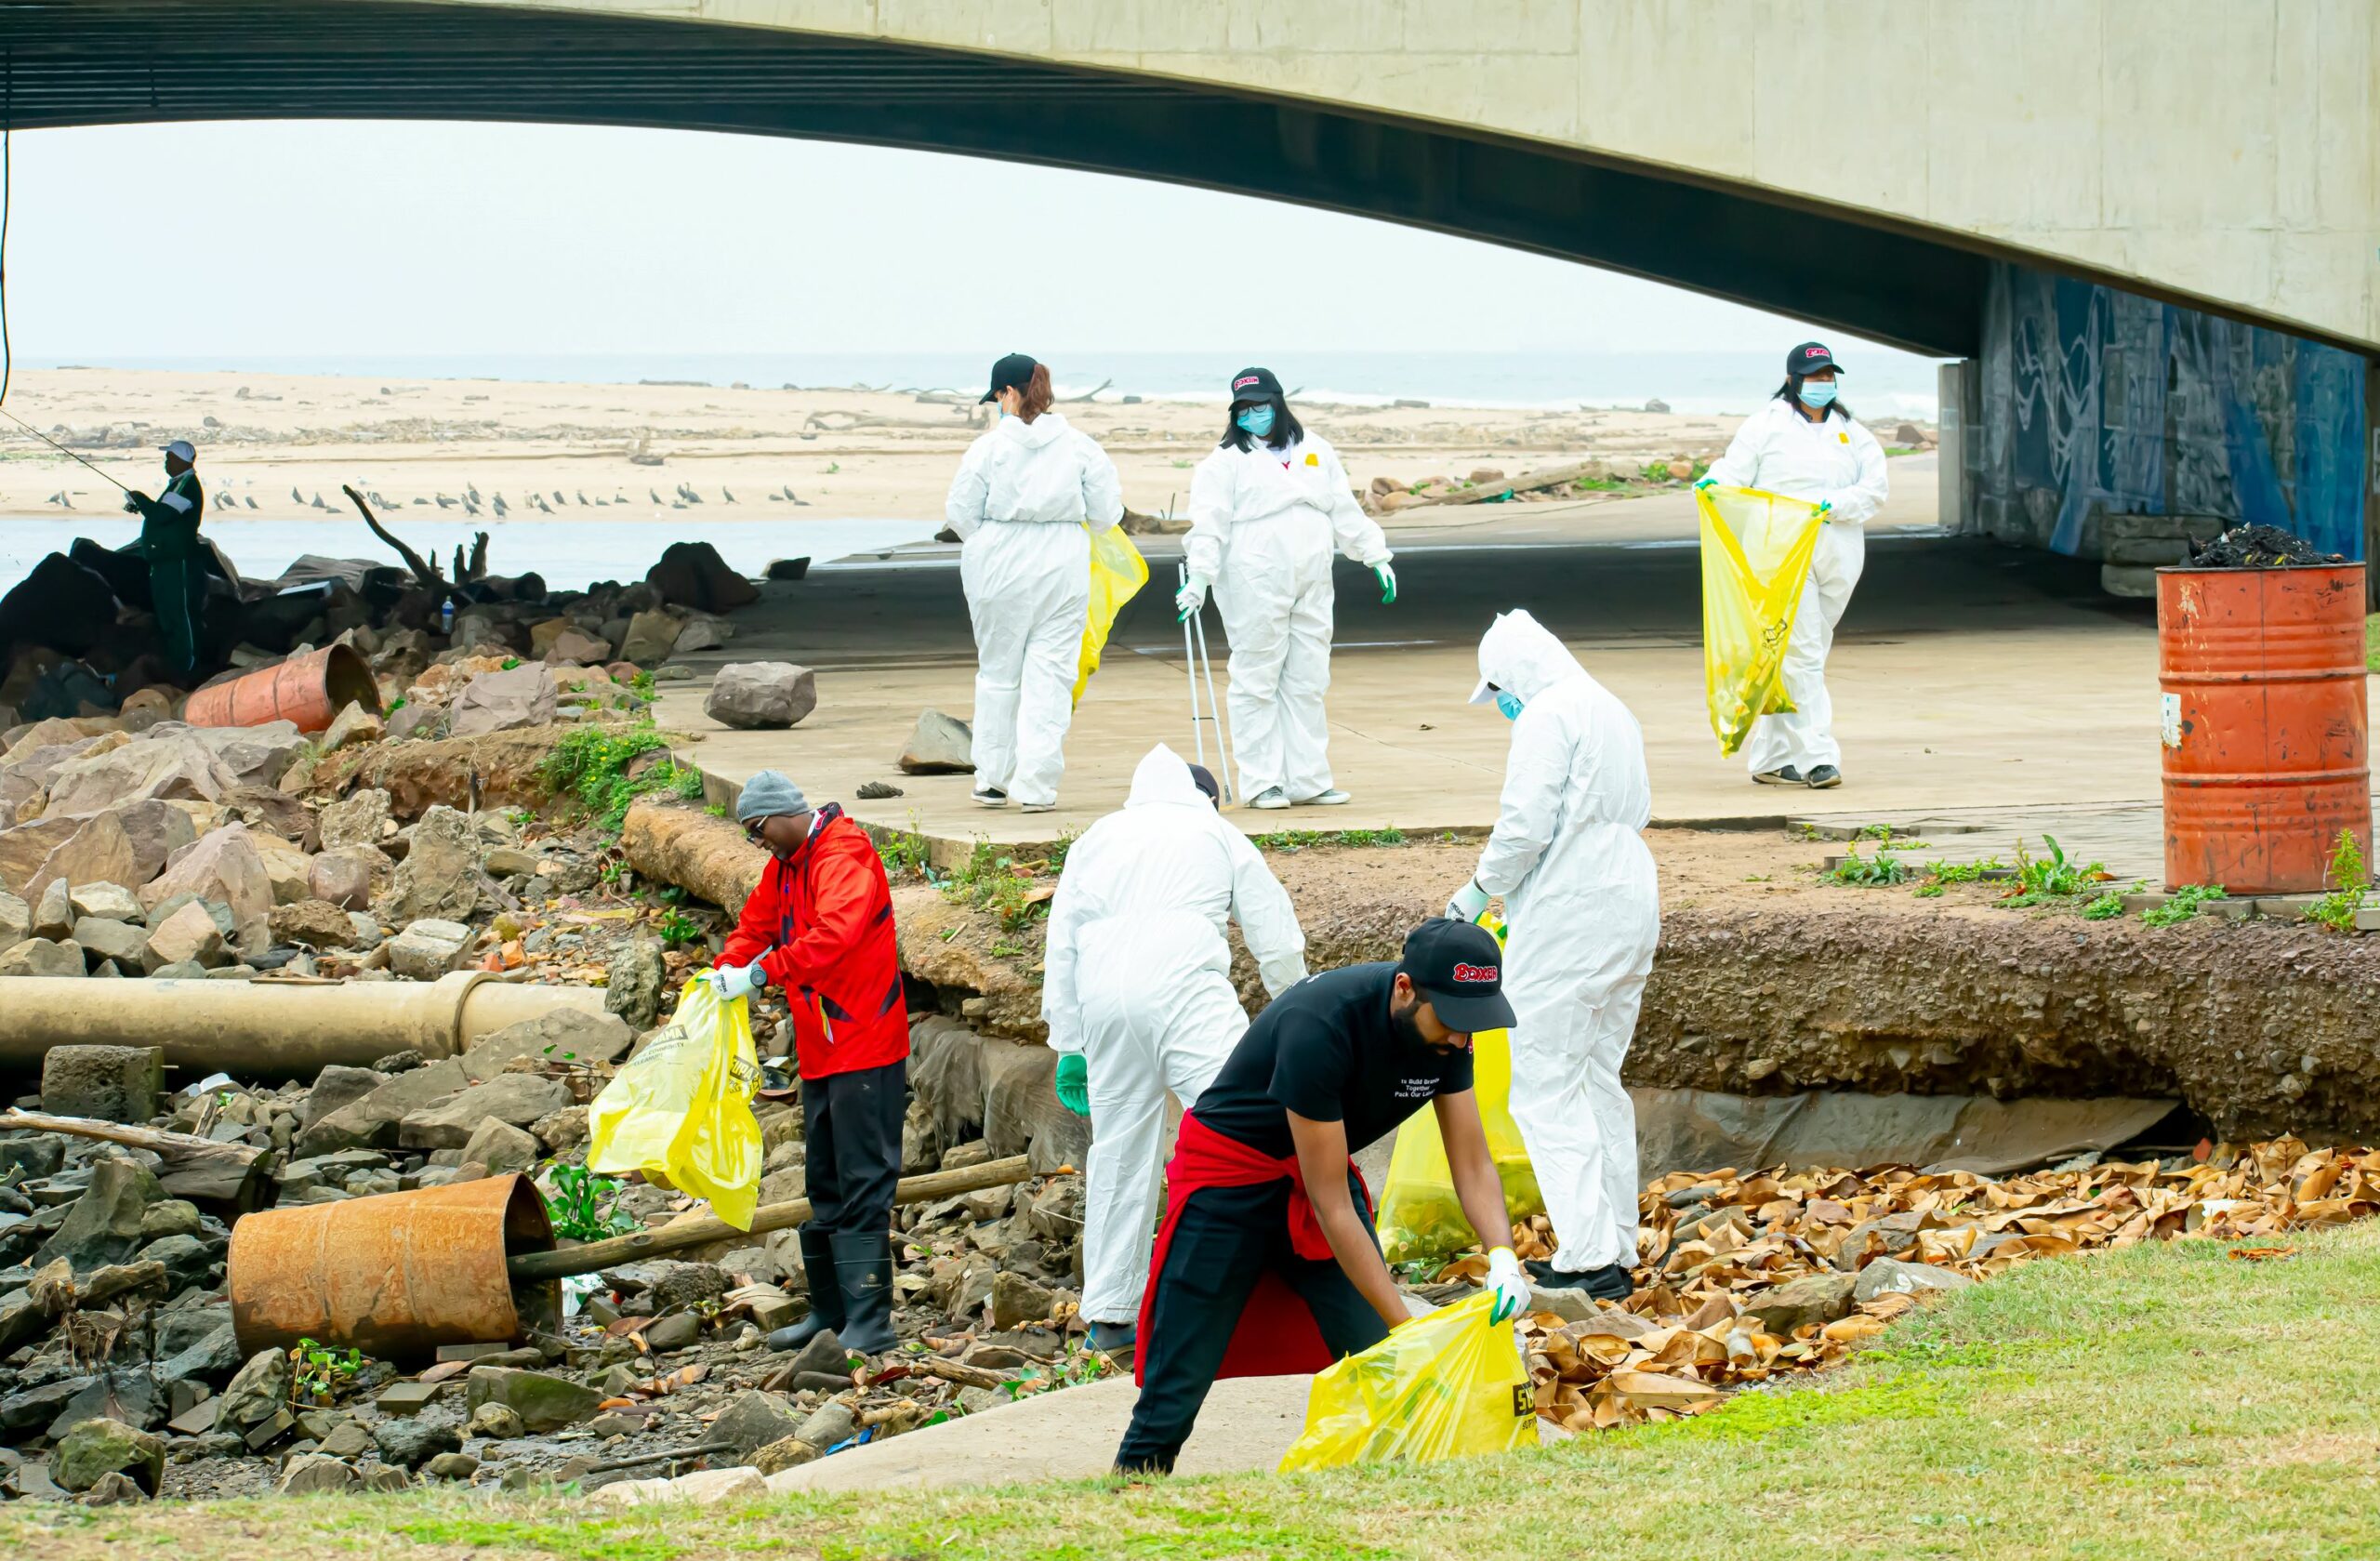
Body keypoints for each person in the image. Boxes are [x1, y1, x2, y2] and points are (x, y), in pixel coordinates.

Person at [1113, 919, 1532, 1476]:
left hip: (1316, 1173)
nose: (1461, 1038)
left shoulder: (1450, 1034)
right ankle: (1136, 1487)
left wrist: (1502, 1256)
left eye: (1473, 1023)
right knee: (1182, 1366)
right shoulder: (1322, 1025)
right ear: (1406, 989)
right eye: (1453, 1020)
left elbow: (1472, 1160)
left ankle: (1400, 1488)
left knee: (1373, 1349)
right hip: (1231, 1180)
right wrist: (1408, 1328)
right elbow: (1330, 1202)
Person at [1041, 743, 1310, 1357]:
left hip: (1105, 999)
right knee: (1248, 1127)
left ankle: (1110, 1315)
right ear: (1204, 797)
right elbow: (1271, 923)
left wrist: (1069, 1042)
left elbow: (1063, 942)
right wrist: (1297, 1002)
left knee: (1119, 1151)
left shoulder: (1097, 837)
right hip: (1187, 992)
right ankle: (1277, 1278)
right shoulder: (1213, 830)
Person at [1447, 609, 1661, 1301]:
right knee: (1599, 1075)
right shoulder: (1609, 705)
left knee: (1544, 1086)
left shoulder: (1546, 713)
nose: (1501, 706)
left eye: (1498, 692)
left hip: (1575, 904)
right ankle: (1615, 1242)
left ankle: (1589, 1254)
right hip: (1630, 893)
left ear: (1514, 676)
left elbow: (1524, 826)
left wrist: (1476, 894)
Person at [709, 770, 909, 1355]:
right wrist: (726, 968)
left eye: (758, 830)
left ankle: (871, 1318)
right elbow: (756, 926)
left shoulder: (842, 855)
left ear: (784, 815)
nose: (758, 842)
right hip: (823, 1046)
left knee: (865, 1176)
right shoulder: (787, 865)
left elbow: (834, 935)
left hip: (864, 1039)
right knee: (825, 1177)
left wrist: (761, 972)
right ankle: (830, 1310)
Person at [1177, 367, 1395, 811]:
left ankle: (1309, 780)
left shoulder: (1315, 449)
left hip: (1312, 576)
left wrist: (1375, 554)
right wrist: (1199, 575)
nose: (1251, 416)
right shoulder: (1224, 462)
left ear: (1278, 403)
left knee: (1308, 678)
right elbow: (1209, 522)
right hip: (1253, 575)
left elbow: (1343, 508)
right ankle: (1263, 783)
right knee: (1257, 677)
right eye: (1243, 410)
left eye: (1260, 407)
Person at [1698, 341, 1888, 789]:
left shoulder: (1851, 431)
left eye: (1828, 375)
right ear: (1792, 379)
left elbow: (1875, 489)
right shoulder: (1766, 426)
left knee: (1805, 654)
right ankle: (1819, 757)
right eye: (1814, 375)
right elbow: (1733, 472)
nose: (1822, 383)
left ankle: (1770, 756)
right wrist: (1711, 484)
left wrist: (1833, 505)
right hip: (1780, 551)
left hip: (1838, 548)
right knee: (1801, 653)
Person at [945, 352, 1125, 814]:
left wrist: (990, 541)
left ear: (1007, 393)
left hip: (999, 562)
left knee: (999, 674)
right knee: (1051, 678)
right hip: (1062, 562)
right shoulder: (1081, 446)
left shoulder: (987, 449)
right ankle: (1037, 787)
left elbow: (960, 514)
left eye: (997, 397)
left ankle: (991, 780)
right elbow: (1107, 515)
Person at [121, 440, 208, 678]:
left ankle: (189, 665)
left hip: (178, 563)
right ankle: (175, 663)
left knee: (182, 614)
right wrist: (141, 504)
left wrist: (139, 498)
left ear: (181, 460)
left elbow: (161, 515)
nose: (166, 463)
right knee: (167, 614)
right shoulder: (177, 485)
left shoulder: (186, 485)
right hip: (163, 563)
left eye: (169, 458)